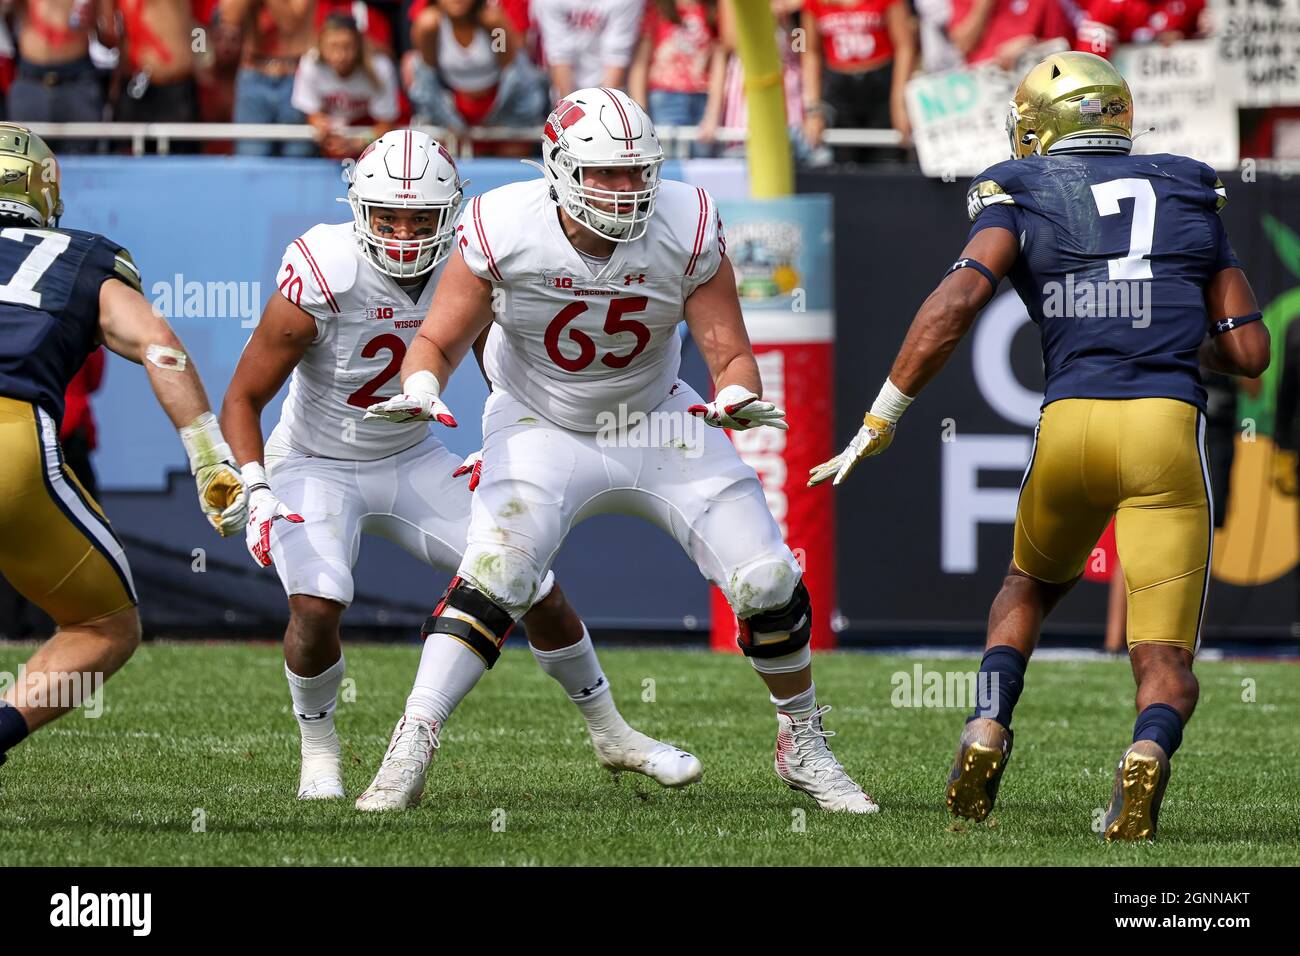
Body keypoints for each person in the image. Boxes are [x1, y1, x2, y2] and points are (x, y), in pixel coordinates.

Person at [362, 90, 878, 815]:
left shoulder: (685, 220)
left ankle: (802, 740)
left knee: (765, 578)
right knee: (497, 572)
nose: (624, 188)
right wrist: (420, 382)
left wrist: (732, 396)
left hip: (656, 419)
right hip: (538, 422)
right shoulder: (503, 223)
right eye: (603, 173)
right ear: (560, 168)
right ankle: (413, 737)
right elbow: (440, 339)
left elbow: (729, 353)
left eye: (635, 172)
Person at [810, 52, 1270, 840]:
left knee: (1025, 588)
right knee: (1165, 660)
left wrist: (882, 417)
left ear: (1039, 128)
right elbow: (1250, 355)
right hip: (1164, 427)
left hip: (1072, 423)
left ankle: (989, 725)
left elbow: (957, 300)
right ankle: (1148, 749)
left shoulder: (1017, 187)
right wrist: (1161, 329)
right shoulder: (1191, 185)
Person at [220, 128, 698, 803]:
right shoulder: (325, 268)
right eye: (387, 216)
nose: (404, 234)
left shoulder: (475, 261)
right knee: (318, 599)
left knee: (531, 583)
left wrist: (511, 438)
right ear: (358, 207)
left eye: (420, 219)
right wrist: (258, 484)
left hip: (411, 458)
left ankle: (612, 732)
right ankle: (320, 750)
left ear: (448, 215)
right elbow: (243, 396)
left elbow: (501, 368)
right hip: (314, 462)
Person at [0, 124, 246, 769]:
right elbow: (157, 345)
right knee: (104, 626)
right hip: (10, 438)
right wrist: (209, 454)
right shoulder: (78, 256)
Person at [800, 0, 917, 162]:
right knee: (844, 165)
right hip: (839, 91)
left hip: (882, 89)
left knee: (888, 163)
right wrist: (813, 109)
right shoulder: (813, 3)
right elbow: (809, 52)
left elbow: (905, 46)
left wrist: (900, 104)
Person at [5, 0, 117, 153]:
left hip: (77, 84)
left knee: (81, 164)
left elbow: (110, 38)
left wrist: (94, 23)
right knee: (25, 165)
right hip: (31, 82)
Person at [291, 13, 400, 158]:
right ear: (321, 45)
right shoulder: (310, 64)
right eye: (333, 46)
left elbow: (386, 125)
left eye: (347, 46)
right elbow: (312, 113)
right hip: (330, 137)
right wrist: (320, 125)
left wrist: (359, 143)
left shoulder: (380, 68)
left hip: (367, 132)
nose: (340, 55)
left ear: (359, 46)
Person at [220, 0, 318, 156]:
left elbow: (290, 24)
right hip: (253, 78)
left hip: (294, 78)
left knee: (297, 158)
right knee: (249, 158)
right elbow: (229, 17)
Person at [629, 0, 726, 158]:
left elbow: (719, 61)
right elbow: (640, 64)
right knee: (667, 162)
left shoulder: (712, 8)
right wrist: (640, 114)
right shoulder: (656, 8)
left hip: (703, 98)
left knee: (703, 162)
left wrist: (713, 114)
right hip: (665, 98)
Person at [532, 0, 643, 95]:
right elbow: (560, 56)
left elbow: (617, 55)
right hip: (564, 89)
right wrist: (569, 109)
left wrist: (604, 108)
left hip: (612, 90)